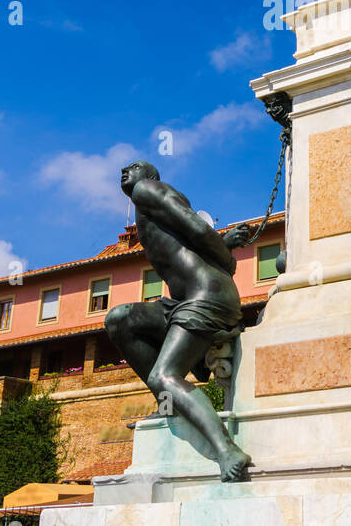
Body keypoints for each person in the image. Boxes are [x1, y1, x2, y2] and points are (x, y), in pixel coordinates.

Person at [105, 161, 252, 482]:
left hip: (206, 296)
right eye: (124, 169)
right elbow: (189, 240)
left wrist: (227, 260)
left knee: (164, 374)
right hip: (181, 302)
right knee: (119, 319)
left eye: (135, 167)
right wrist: (224, 244)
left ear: (151, 176)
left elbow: (197, 228)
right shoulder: (148, 204)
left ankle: (226, 449)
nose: (125, 171)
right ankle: (168, 403)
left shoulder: (148, 190)